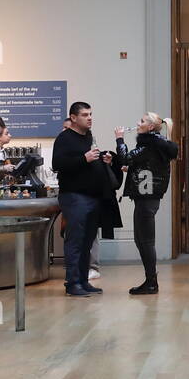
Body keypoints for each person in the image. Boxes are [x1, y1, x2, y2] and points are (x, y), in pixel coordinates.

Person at [52, 101, 115, 298]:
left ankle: (83, 281)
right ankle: (72, 284)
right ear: (73, 118)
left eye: (90, 114)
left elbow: (89, 161)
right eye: (85, 115)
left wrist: (104, 159)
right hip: (74, 196)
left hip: (92, 196)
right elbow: (57, 164)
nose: (89, 118)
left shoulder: (88, 137)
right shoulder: (64, 139)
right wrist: (84, 159)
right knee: (76, 240)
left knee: (87, 241)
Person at [114, 112, 179, 295]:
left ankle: (151, 282)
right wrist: (133, 168)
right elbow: (148, 166)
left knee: (145, 241)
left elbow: (126, 157)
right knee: (142, 239)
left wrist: (119, 140)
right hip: (149, 196)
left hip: (146, 197)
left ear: (150, 127)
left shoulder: (149, 144)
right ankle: (150, 280)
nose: (137, 123)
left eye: (142, 121)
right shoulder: (156, 144)